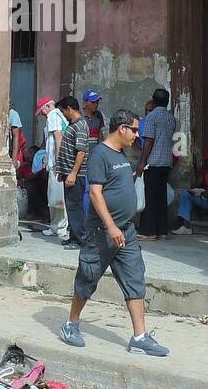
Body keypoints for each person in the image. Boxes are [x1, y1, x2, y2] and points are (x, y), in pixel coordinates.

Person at [58, 109, 169, 357]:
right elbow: (96, 193)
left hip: (126, 232)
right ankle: (71, 324)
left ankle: (139, 337)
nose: (137, 135)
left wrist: (122, 226)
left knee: (135, 279)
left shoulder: (121, 155)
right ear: (122, 128)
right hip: (102, 232)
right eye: (135, 130)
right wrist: (111, 226)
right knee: (88, 277)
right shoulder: (100, 154)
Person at [136, 87, 176, 241]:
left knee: (149, 197)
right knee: (161, 197)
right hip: (166, 161)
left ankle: (148, 231)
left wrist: (142, 161)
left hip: (153, 161)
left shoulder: (152, 117)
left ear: (154, 100)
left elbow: (149, 140)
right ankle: (162, 231)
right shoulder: (171, 118)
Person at [54, 96, 89, 249]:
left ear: (69, 108)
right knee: (71, 207)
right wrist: (63, 171)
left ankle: (79, 240)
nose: (63, 114)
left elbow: (81, 151)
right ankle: (73, 235)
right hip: (68, 173)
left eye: (63, 111)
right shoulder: (73, 125)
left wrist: (73, 173)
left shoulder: (80, 125)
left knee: (75, 207)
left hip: (76, 175)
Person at [39, 96, 68, 239]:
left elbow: (58, 137)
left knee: (57, 197)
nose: (42, 114)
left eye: (41, 111)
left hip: (56, 164)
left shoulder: (53, 116)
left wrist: (58, 161)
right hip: (55, 163)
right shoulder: (59, 116)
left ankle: (59, 227)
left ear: (47, 106)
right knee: (56, 197)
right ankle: (57, 226)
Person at [172, 149, 208, 234]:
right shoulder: (205, 171)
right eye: (206, 161)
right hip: (207, 199)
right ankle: (184, 225)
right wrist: (200, 174)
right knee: (186, 193)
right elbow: (194, 186)